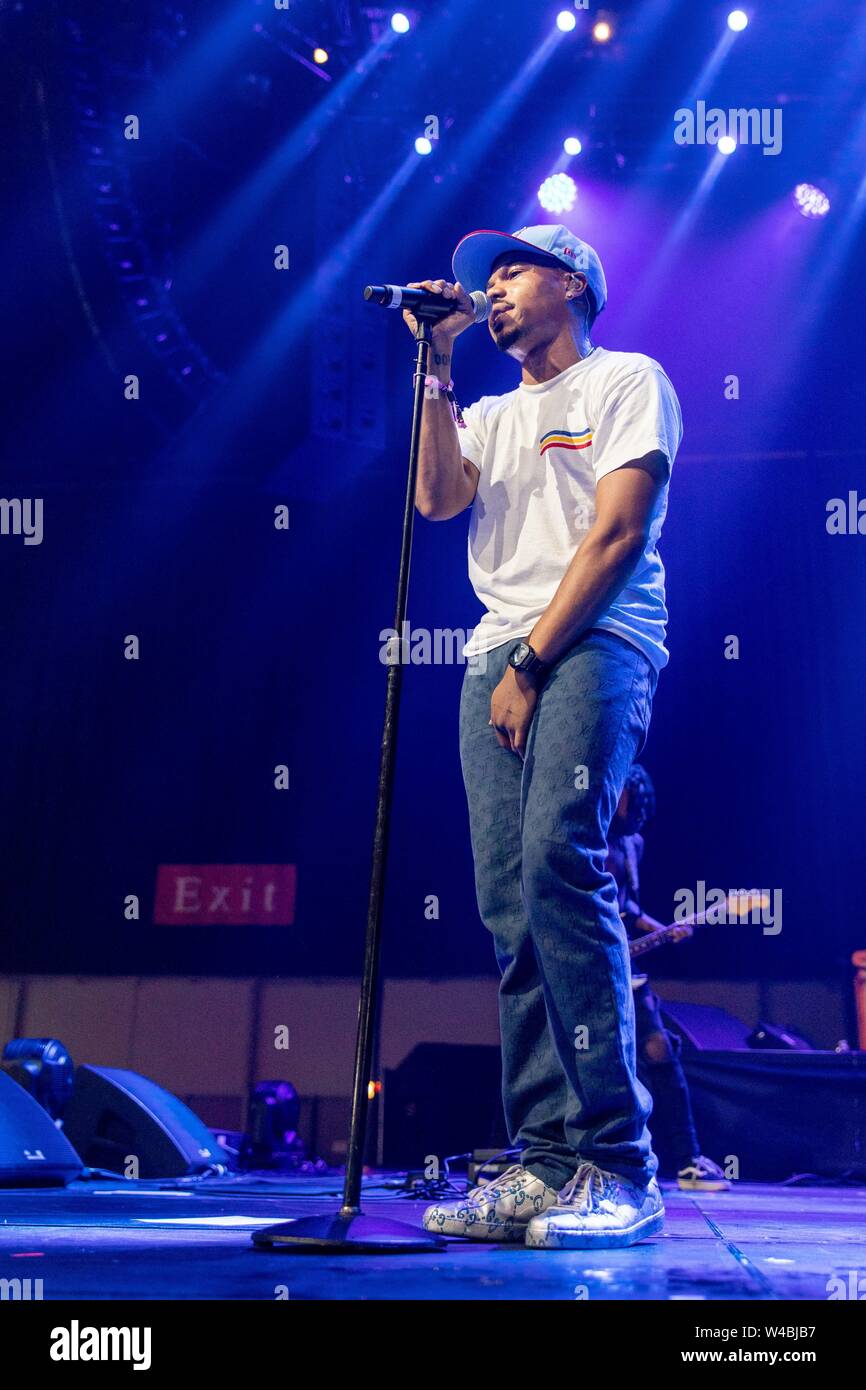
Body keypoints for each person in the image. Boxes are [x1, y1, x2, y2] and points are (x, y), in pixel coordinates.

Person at [408, 223, 683, 1249]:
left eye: (512, 271)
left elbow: (617, 533)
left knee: (557, 865)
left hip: (594, 640)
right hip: (494, 650)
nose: (492, 291)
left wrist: (532, 661)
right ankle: (544, 1160)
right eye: (484, 282)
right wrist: (433, 363)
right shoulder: (482, 410)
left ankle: (618, 1162)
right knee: (506, 900)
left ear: (570, 280)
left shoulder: (626, 380)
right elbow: (436, 499)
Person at [608, 764, 731, 1192]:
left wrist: (665, 929)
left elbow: (629, 909)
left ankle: (689, 1158)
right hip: (589, 963)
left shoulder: (632, 845)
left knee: (660, 1050)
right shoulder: (585, 834)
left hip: (631, 970)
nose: (631, 806)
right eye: (626, 796)